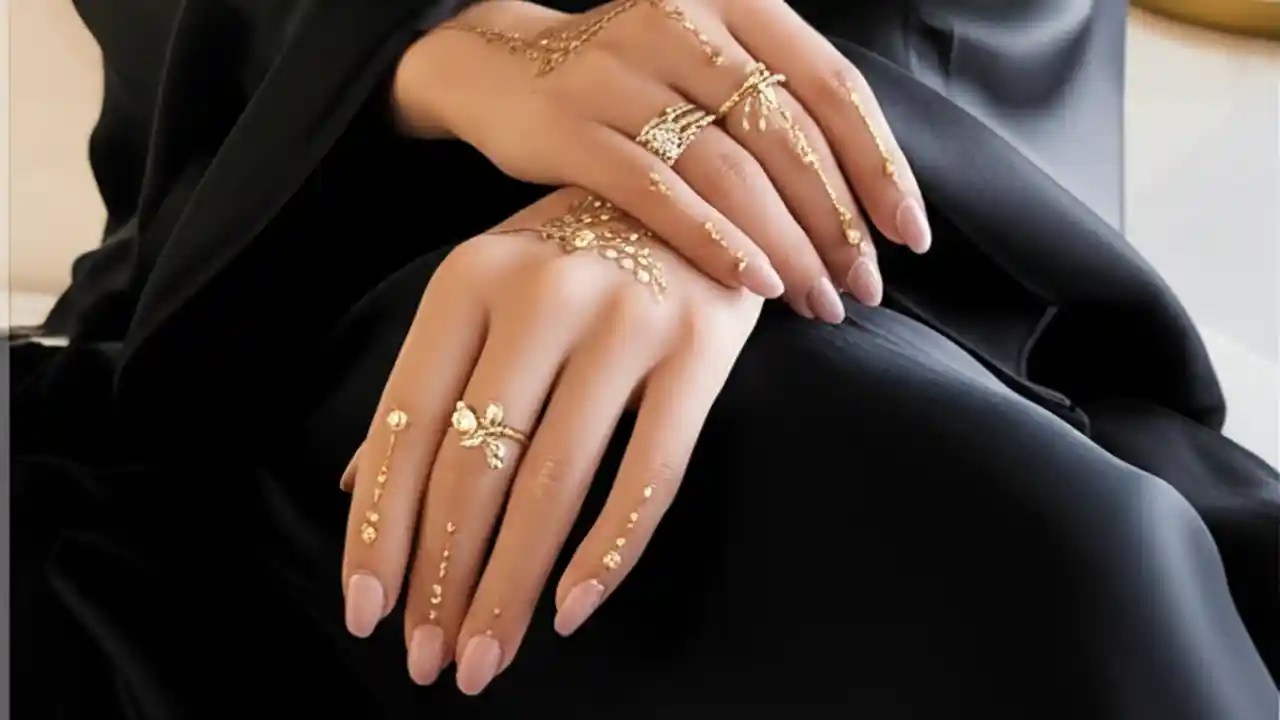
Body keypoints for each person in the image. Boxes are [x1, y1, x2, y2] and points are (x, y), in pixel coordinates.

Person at [10, 0, 1278, 717]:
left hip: (901, 208)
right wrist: (451, 40)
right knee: (1044, 574)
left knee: (1057, 561)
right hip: (321, 232)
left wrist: (719, 175)